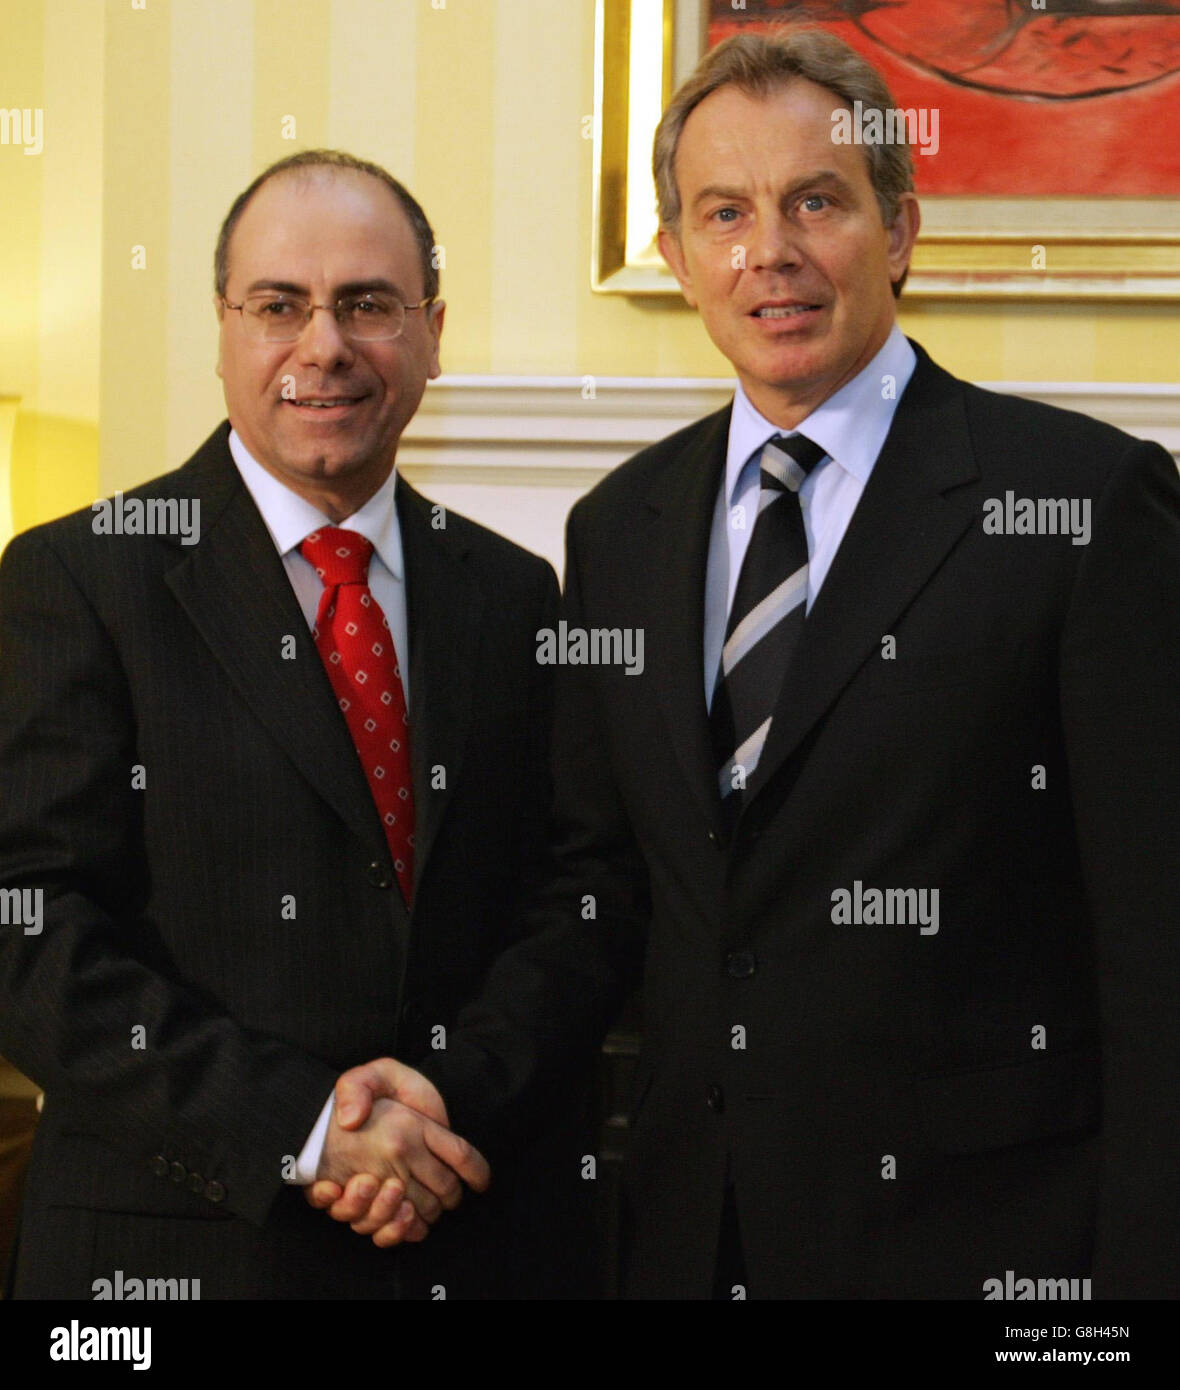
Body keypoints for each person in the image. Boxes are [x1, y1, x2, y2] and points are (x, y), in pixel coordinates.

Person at [315, 31, 1179, 1299]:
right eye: (724, 213)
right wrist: (450, 1078)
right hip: (690, 1235)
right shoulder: (618, 530)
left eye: (815, 201)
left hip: (997, 1250)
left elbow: (1158, 947)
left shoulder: (1084, 503)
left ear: (898, 229)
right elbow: (598, 893)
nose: (766, 251)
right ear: (677, 259)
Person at [0, 150, 596, 1300]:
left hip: (471, 1232)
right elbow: (28, 926)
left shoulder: (515, 595)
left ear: (429, 332)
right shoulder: (77, 578)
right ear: (224, 330)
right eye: (280, 305)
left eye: (367, 305)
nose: (323, 345)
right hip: (170, 1253)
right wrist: (307, 1125)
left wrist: (445, 1106)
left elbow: (575, 895)